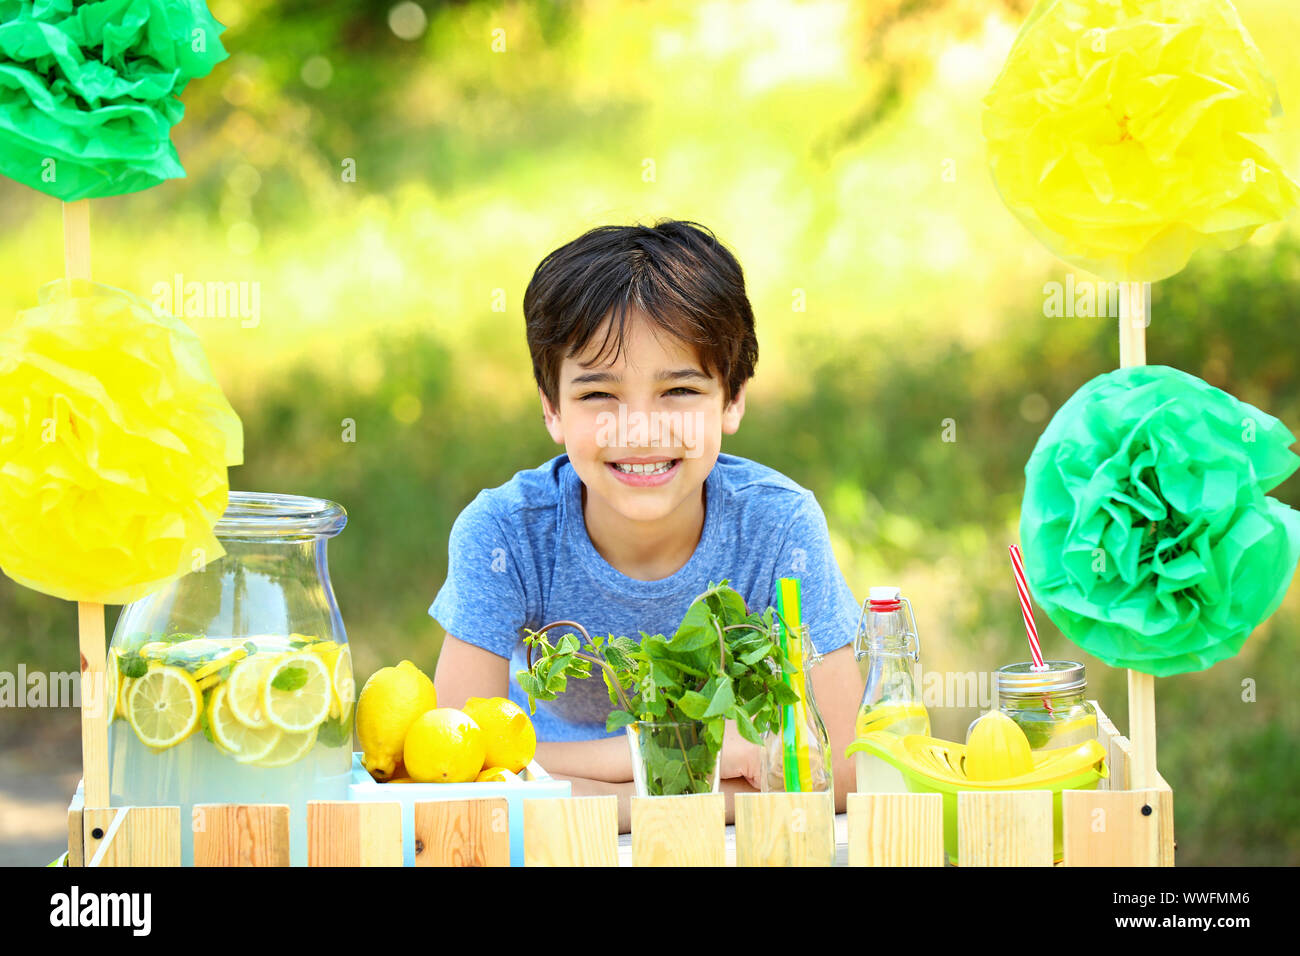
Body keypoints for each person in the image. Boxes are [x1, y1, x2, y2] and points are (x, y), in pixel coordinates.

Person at [430, 219, 865, 832]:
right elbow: (453, 772)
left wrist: (561, 783)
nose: (639, 430)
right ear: (551, 407)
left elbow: (840, 772)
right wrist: (667, 775)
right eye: (598, 395)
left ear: (732, 398)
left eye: (680, 389)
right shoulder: (506, 534)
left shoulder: (777, 525)